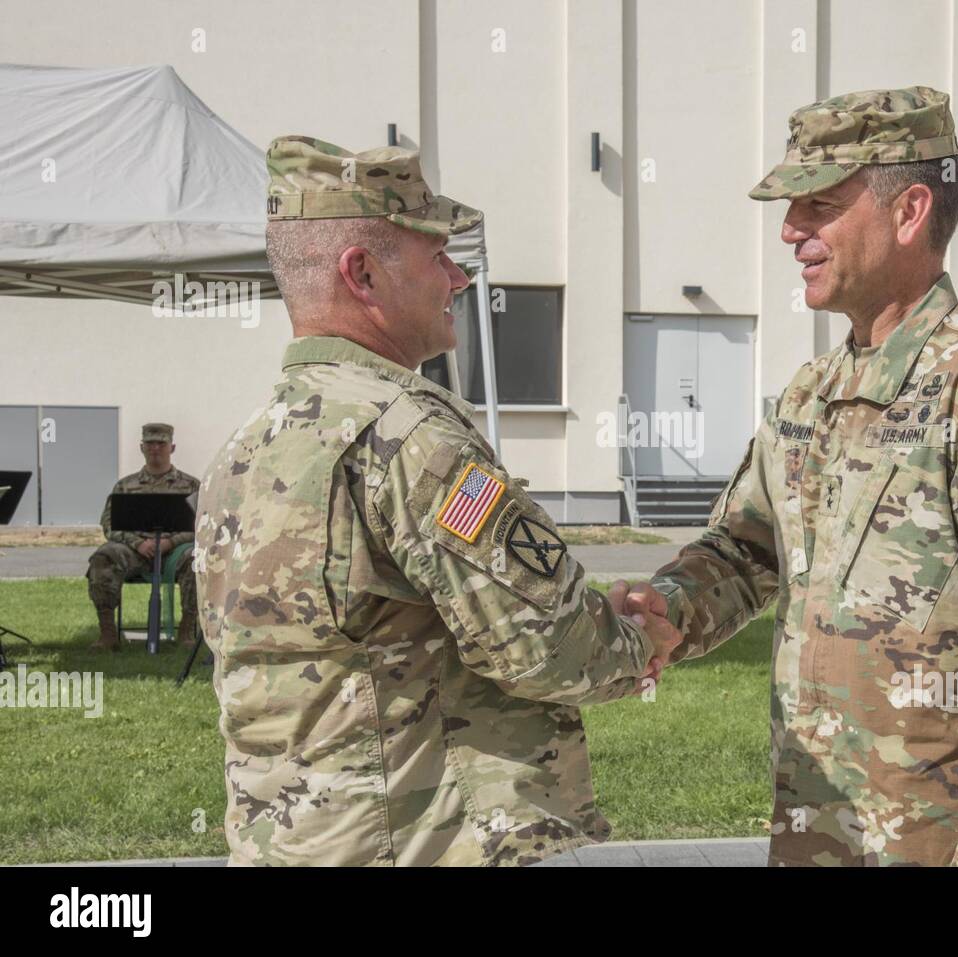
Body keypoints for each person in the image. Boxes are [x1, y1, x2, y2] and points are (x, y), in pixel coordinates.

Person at [616, 87, 958, 866]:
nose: (791, 232)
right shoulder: (810, 394)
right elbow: (747, 550)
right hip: (818, 840)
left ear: (909, 211)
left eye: (818, 206)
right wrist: (670, 608)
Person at [194, 136, 680, 867]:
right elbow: (543, 641)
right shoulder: (410, 435)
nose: (457, 276)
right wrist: (639, 639)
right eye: (435, 256)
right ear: (361, 274)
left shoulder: (239, 450)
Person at [87, 423, 199, 651]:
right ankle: (108, 634)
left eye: (161, 443)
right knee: (103, 556)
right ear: (142, 447)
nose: (155, 448)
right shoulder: (125, 486)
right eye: (150, 443)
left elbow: (203, 524)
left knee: (197, 559)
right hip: (134, 552)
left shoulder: (191, 486)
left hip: (175, 553)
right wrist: (137, 543)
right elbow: (109, 524)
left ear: (172, 447)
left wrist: (171, 542)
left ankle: (187, 630)